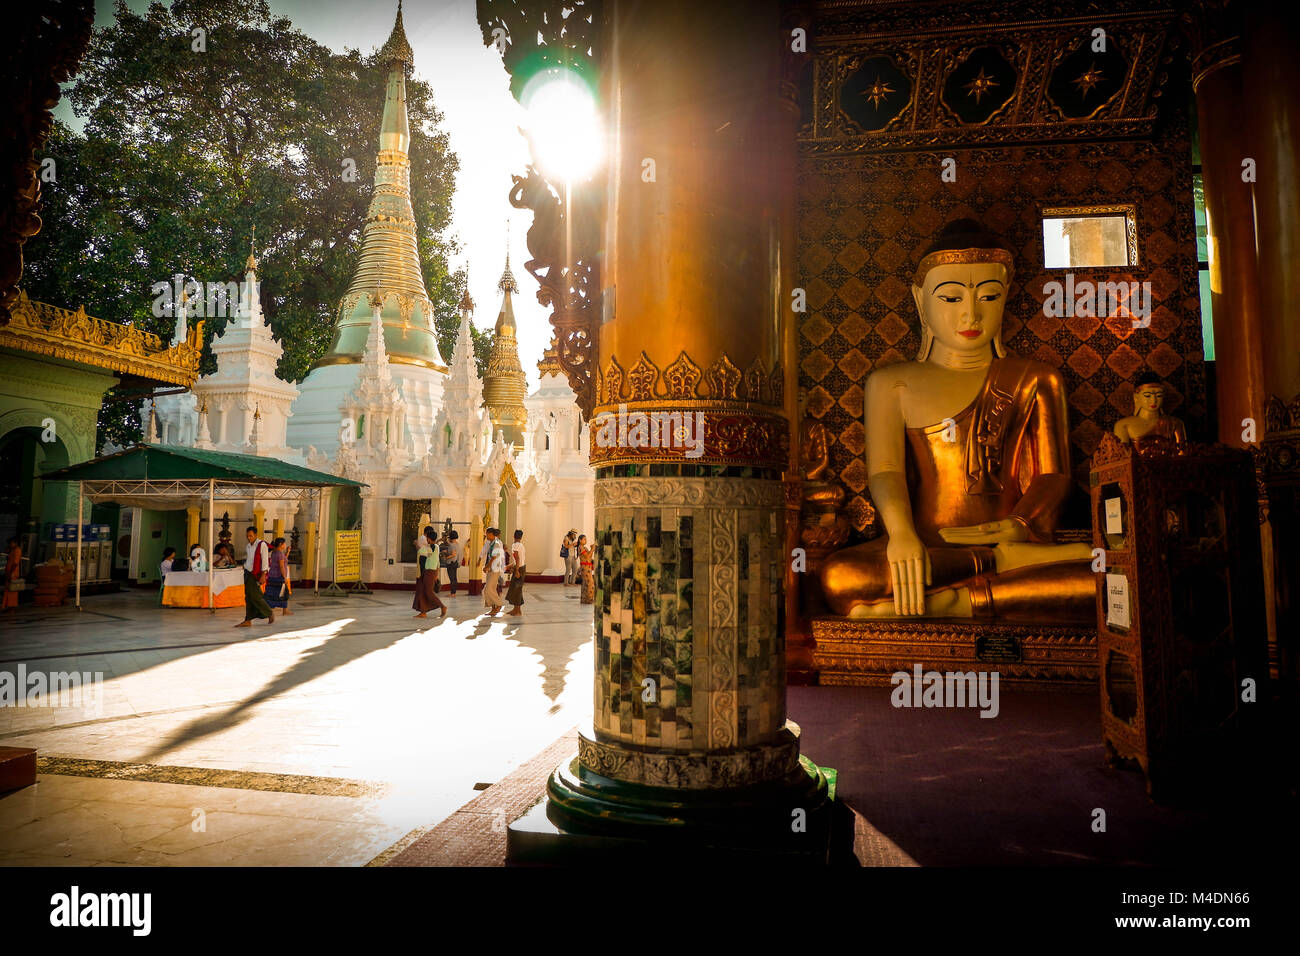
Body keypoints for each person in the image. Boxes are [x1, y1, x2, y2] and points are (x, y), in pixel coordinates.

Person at [237, 526, 274, 627]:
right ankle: (248, 620)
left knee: (256, 596)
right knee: (248, 597)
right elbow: (249, 560)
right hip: (248, 573)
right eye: (247, 536)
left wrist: (263, 574)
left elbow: (265, 561)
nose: (249, 538)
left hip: (256, 574)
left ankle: (269, 612)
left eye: (251, 535)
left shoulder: (262, 545)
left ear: (256, 535)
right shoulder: (248, 546)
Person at [413, 525, 447, 619]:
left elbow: (420, 552)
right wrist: (437, 572)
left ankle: (442, 606)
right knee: (422, 590)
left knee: (428, 592)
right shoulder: (436, 547)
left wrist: (416, 544)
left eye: (427, 538)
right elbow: (437, 561)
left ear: (428, 538)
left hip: (429, 571)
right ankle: (423, 612)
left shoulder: (430, 547)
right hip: (431, 571)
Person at [481, 527, 506, 616]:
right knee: (489, 589)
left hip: (495, 569)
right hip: (491, 569)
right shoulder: (491, 543)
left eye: (487, 534)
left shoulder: (496, 543)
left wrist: (486, 566)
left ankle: (498, 604)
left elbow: (494, 557)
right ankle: (493, 608)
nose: (486, 535)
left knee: (488, 589)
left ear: (491, 534)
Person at [265, 537, 293, 615]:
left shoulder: (274, 552)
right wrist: (284, 577)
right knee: (284, 593)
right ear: (281, 544)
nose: (285, 545)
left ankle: (269, 610)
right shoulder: (280, 554)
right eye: (284, 543)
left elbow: (284, 560)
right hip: (278, 576)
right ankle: (285, 610)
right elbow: (281, 566)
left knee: (272, 593)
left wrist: (288, 552)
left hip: (272, 576)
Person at [505, 529, 526, 616]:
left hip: (519, 569)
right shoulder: (521, 545)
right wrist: (509, 566)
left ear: (514, 536)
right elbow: (517, 560)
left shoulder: (515, 545)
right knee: (516, 589)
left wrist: (516, 570)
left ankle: (517, 611)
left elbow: (517, 558)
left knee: (516, 589)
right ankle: (516, 609)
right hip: (521, 567)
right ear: (521, 537)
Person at [442, 530, 461, 596]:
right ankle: (454, 592)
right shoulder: (457, 544)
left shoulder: (452, 545)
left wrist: (446, 557)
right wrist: (447, 552)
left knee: (452, 578)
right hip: (455, 562)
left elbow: (453, 554)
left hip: (451, 563)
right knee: (454, 578)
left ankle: (453, 593)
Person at [4, 537, 21, 610]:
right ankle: (7, 605)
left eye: (12, 543)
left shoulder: (17, 550)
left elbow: (15, 563)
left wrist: (11, 572)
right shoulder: (12, 550)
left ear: (16, 543)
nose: (11, 545)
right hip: (9, 571)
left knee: (12, 590)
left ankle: (12, 606)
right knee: (8, 589)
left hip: (13, 572)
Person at [578, 534, 595, 604]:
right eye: (584, 539)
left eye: (586, 539)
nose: (586, 541)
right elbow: (587, 556)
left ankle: (586, 599)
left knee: (587, 583)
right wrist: (592, 549)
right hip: (585, 568)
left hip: (588, 567)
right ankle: (588, 599)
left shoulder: (584, 548)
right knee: (589, 583)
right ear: (580, 540)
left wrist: (591, 549)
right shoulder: (580, 547)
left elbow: (589, 557)